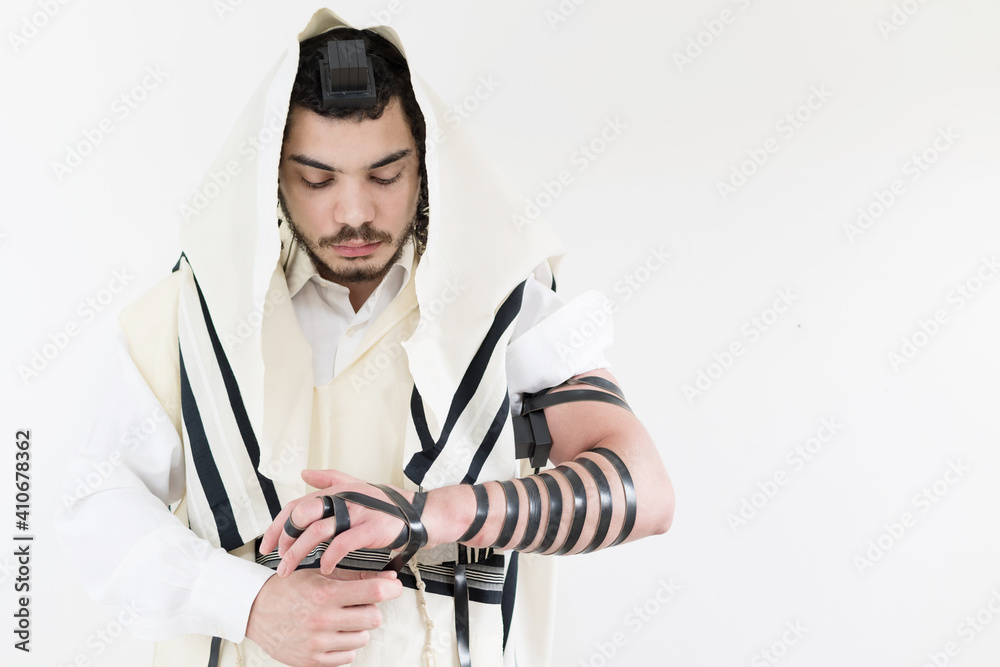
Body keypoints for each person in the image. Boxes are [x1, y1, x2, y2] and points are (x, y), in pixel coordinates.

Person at [54, 8, 675, 667]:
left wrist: (427, 514)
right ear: (272, 174)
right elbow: (93, 502)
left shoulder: (504, 309)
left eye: (385, 176)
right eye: (317, 179)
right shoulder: (186, 316)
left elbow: (646, 489)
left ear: (426, 167)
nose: (354, 212)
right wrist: (250, 602)